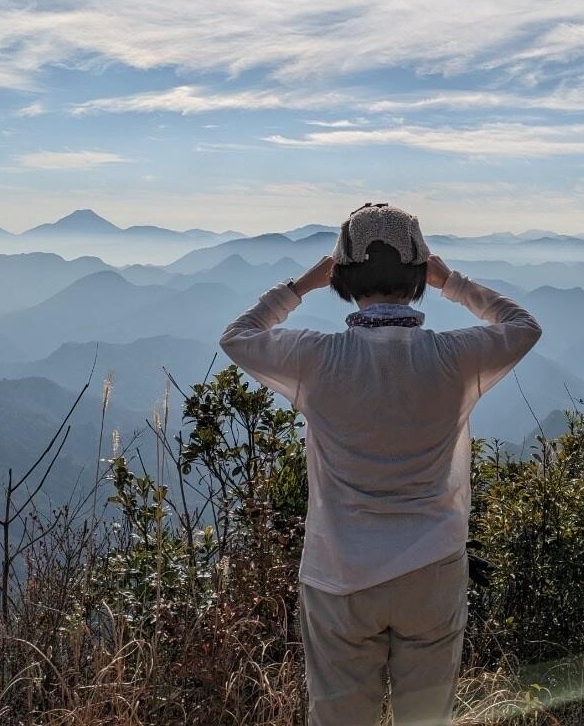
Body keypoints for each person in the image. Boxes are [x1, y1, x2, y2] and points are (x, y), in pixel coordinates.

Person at [219, 202, 542, 726]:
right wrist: (451, 281)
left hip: (340, 570)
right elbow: (522, 326)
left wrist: (300, 286)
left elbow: (239, 338)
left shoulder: (317, 359)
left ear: (341, 276)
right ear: (419, 273)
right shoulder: (453, 358)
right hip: (433, 567)